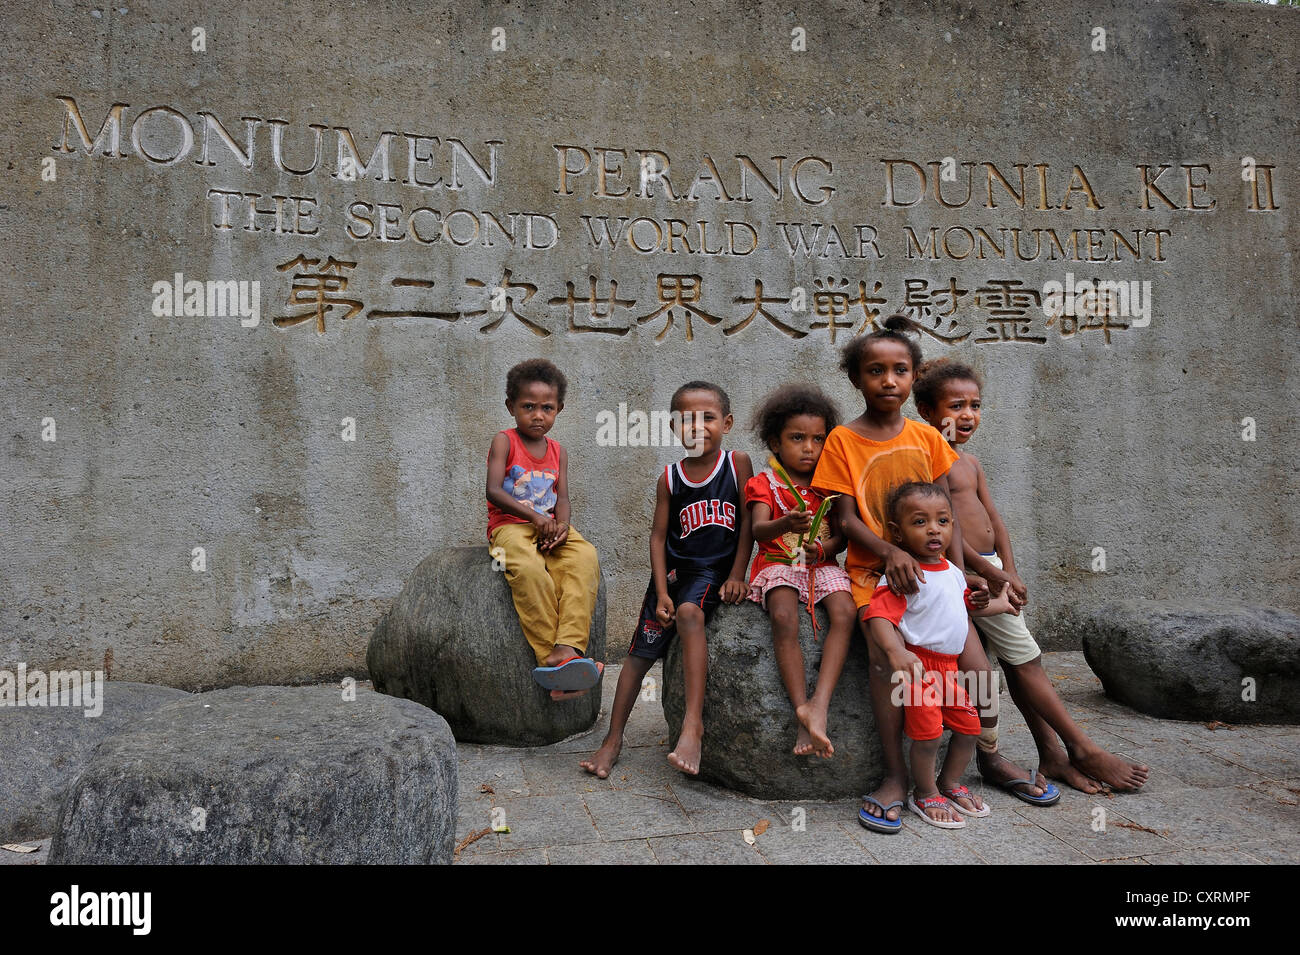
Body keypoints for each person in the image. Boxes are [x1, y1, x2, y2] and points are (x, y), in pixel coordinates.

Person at [811, 314, 1045, 834]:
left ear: (914, 376)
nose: (888, 381)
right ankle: (898, 778)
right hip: (875, 572)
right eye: (875, 370)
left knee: (981, 674)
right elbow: (845, 519)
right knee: (890, 670)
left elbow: (949, 515)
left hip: (938, 573)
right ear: (856, 379)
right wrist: (890, 553)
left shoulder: (926, 437)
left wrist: (970, 573)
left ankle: (981, 759)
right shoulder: (843, 442)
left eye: (900, 370)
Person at [913, 358, 1149, 793]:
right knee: (1010, 665)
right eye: (956, 406)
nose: (968, 415)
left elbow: (994, 520)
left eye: (975, 405)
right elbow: (946, 530)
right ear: (926, 411)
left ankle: (1053, 753)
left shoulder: (970, 461)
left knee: (1020, 663)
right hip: (960, 574)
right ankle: (1071, 748)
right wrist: (981, 572)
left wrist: (1010, 568)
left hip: (989, 571)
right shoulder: (929, 459)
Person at [582, 381, 753, 778]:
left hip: (711, 573)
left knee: (691, 614)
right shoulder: (670, 477)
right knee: (638, 656)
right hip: (674, 574)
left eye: (708, 418)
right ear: (674, 426)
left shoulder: (737, 464)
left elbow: (748, 524)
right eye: (687, 419)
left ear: (726, 422)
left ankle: (693, 724)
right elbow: (658, 537)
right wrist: (660, 591)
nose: (698, 426)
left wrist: (738, 573)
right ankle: (612, 740)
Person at [865, 482, 1019, 827]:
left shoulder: (952, 573)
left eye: (943, 521)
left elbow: (961, 609)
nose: (934, 529)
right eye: (920, 522)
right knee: (928, 734)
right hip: (918, 667)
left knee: (969, 726)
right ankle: (925, 792)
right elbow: (878, 617)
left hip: (950, 669)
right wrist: (895, 651)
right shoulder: (904, 575)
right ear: (897, 533)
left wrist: (1001, 604)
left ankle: (950, 782)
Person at [744, 385, 856, 758]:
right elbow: (758, 530)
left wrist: (823, 547)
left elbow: (841, 537)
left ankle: (818, 702)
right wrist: (785, 524)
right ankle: (799, 707)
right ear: (775, 443)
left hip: (820, 564)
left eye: (818, 439)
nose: (809, 448)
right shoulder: (765, 483)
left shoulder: (831, 486)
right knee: (782, 615)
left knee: (845, 612)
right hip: (778, 564)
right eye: (797, 438)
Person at [486, 359, 602, 699]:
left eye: (547, 408)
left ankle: (567, 646)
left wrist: (562, 526)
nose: (538, 415)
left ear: (559, 409)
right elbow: (494, 490)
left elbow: (562, 497)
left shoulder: (558, 451)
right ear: (511, 406)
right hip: (510, 527)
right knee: (529, 570)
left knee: (584, 558)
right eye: (528, 407)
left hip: (550, 527)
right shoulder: (504, 441)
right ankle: (552, 665)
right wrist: (536, 519)